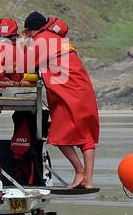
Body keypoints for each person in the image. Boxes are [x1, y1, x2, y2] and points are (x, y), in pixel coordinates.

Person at [21, 11, 100, 191]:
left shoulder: (41, 40)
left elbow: (23, 65)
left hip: (69, 94)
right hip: (84, 90)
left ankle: (79, 171)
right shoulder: (58, 40)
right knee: (86, 138)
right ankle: (88, 180)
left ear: (31, 31)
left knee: (58, 136)